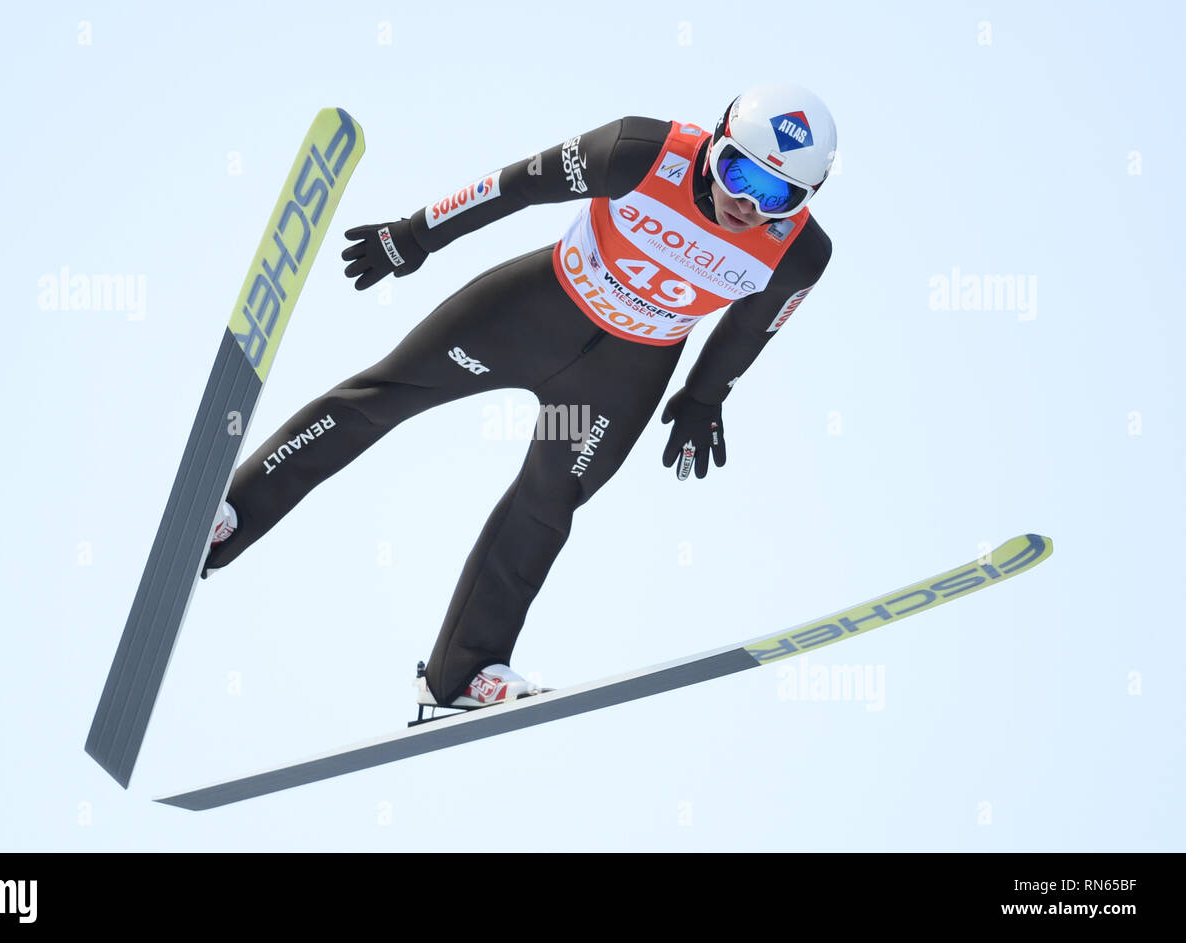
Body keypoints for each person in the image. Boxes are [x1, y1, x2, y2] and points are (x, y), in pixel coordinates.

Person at [202, 83, 837, 713]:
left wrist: (703, 400)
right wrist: (417, 234)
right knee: (383, 396)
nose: (748, 204)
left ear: (807, 198)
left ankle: (462, 674)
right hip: (526, 319)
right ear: (715, 142)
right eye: (737, 172)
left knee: (545, 504)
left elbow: (749, 330)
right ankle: (230, 511)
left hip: (611, 384)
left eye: (778, 194)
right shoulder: (641, 152)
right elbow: (520, 183)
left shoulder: (799, 253)